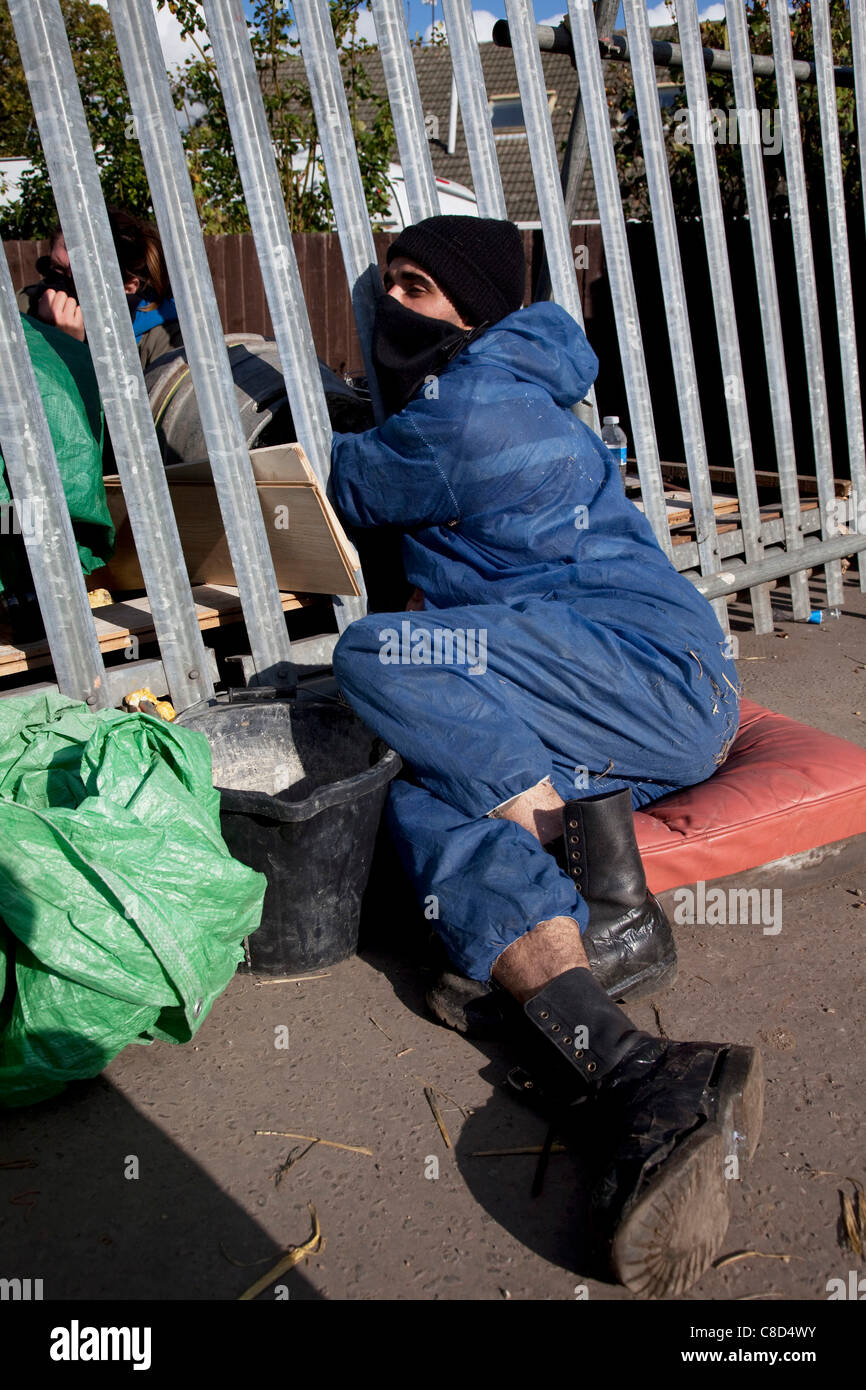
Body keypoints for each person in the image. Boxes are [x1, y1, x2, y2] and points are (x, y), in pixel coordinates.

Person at [326, 215, 763, 1299]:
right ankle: (622, 1066)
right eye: (388, 281)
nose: (394, 303)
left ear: (474, 310)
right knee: (432, 793)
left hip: (649, 677)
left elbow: (344, 484)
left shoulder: (467, 409)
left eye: (418, 286)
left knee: (381, 652)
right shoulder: (496, 379)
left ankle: (578, 862)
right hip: (599, 700)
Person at [18, 208, 182, 371]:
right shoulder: (24, 306)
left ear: (128, 287)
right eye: (58, 269)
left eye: (84, 279)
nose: (66, 286)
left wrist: (70, 348)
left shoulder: (165, 341)